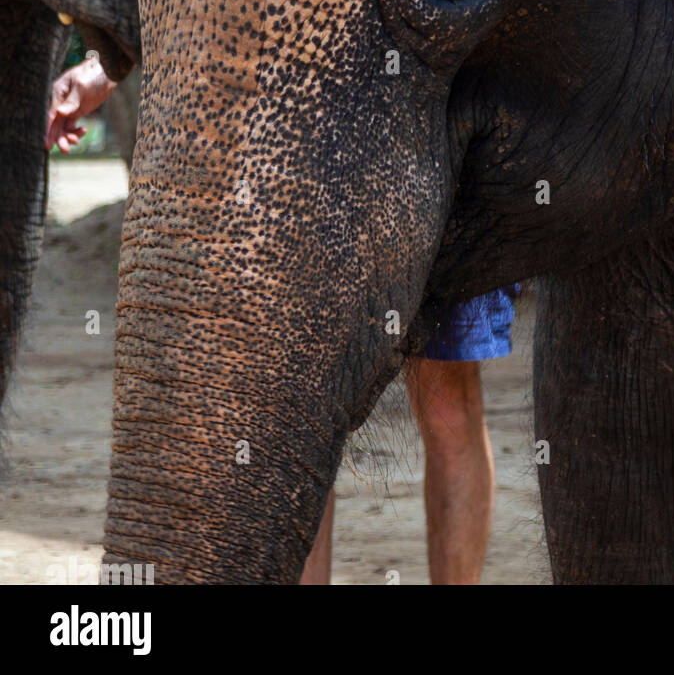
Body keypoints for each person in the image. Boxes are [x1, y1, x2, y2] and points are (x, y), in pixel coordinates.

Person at [46, 55, 515, 585]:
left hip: (451, 129)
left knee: (449, 399)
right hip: (315, 148)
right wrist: (105, 64)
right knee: (303, 414)